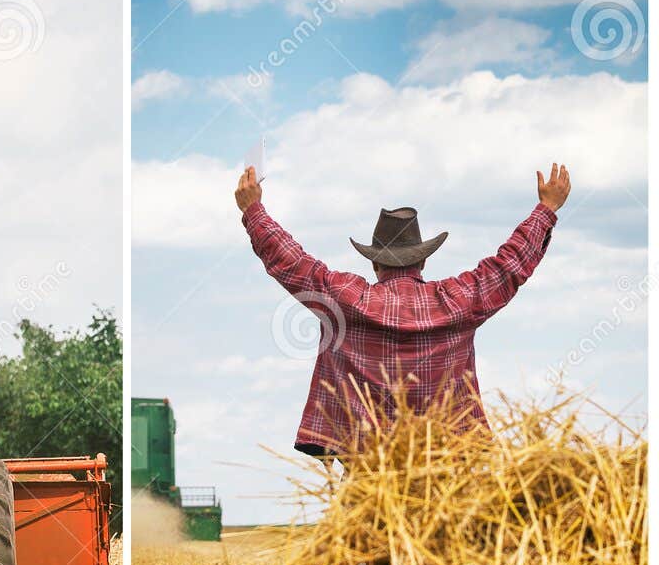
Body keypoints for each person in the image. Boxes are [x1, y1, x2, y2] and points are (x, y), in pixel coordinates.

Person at [236, 163, 571, 457]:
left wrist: (254, 211)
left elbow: (293, 262)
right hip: (449, 480)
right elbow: (508, 266)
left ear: (374, 263)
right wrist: (546, 209)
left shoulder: (344, 300)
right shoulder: (458, 302)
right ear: (423, 261)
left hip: (368, 477)